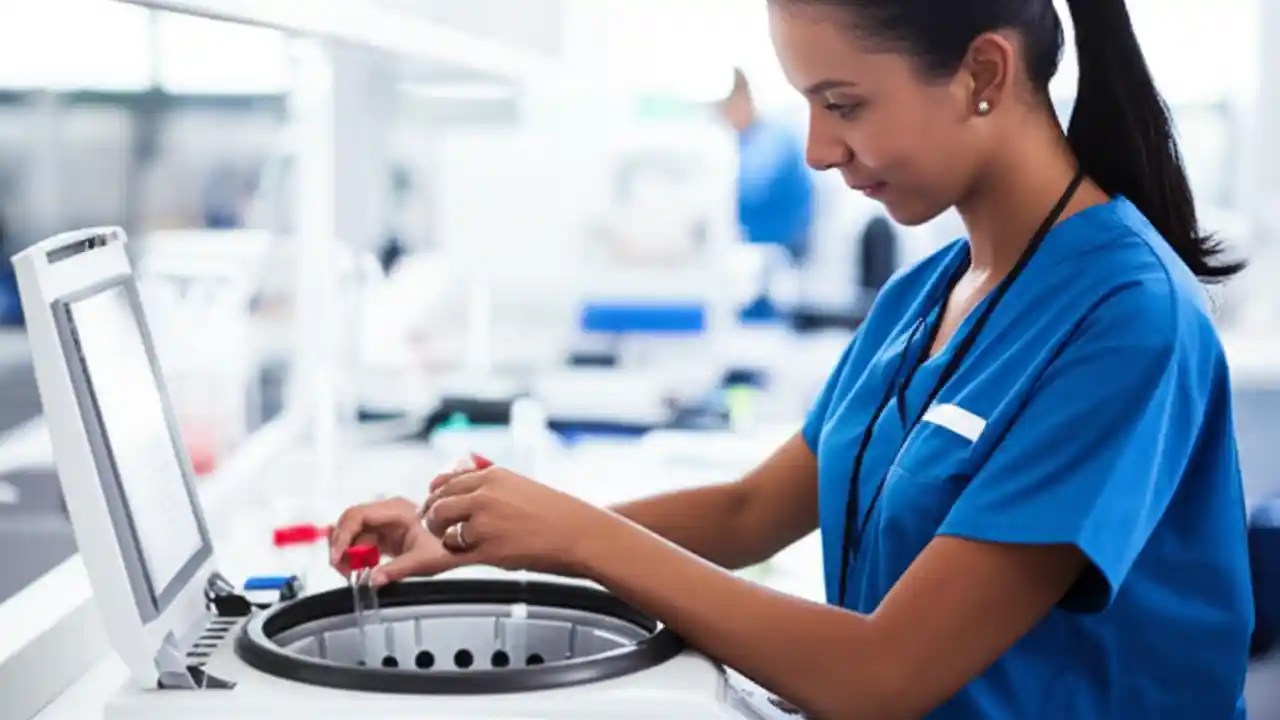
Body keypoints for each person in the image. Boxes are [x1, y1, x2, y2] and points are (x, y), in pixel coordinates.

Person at [328, 1, 1253, 717]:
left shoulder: (1125, 321)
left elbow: (881, 675)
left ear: (983, 72)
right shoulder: (928, 293)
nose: (815, 151)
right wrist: (483, 542)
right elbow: (749, 511)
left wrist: (575, 536)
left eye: (842, 104)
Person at [722, 67, 816, 265]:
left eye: (728, 108)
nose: (727, 118)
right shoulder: (745, 140)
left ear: (743, 101)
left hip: (784, 248)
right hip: (758, 246)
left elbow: (752, 188)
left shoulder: (773, 138)